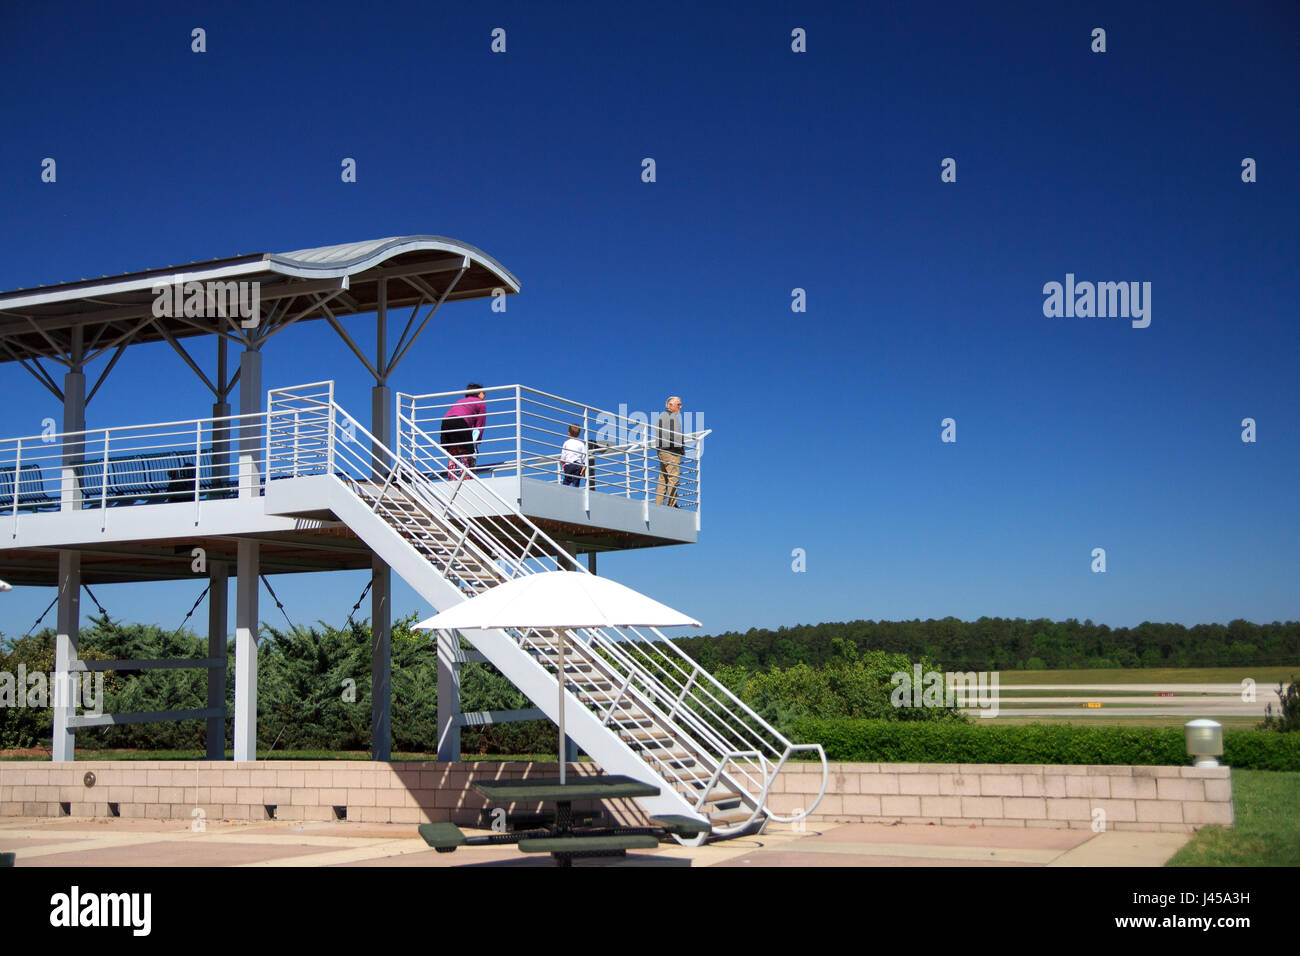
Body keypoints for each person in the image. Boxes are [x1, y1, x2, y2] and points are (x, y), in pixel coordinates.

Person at [441, 383, 486, 478]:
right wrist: (475, 443)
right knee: (466, 451)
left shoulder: (460, 401)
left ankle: (452, 475)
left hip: (446, 424)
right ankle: (465, 476)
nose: (485, 395)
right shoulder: (480, 403)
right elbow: (479, 426)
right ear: (478, 393)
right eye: (483, 392)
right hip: (461, 423)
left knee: (453, 450)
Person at [655, 395, 684, 507]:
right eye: (678, 404)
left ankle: (659, 503)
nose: (681, 406)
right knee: (673, 477)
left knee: (663, 478)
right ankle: (672, 504)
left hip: (664, 450)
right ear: (670, 405)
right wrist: (679, 447)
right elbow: (672, 435)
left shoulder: (664, 416)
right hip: (670, 451)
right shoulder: (670, 416)